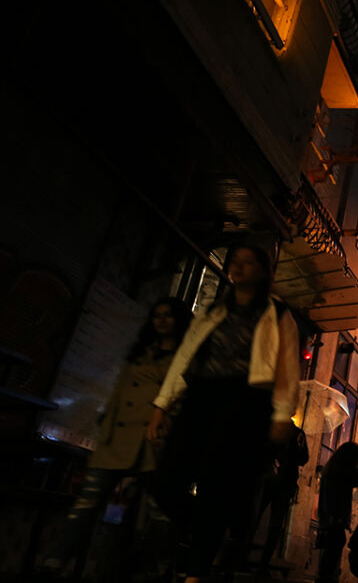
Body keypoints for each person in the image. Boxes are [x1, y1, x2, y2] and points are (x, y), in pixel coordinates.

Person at [148, 244, 300, 582]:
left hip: (244, 403)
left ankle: (197, 570)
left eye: (249, 262)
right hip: (202, 397)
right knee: (167, 482)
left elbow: (288, 368)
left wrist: (281, 415)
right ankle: (207, 527)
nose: (239, 268)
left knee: (215, 485)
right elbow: (185, 356)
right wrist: (162, 403)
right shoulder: (213, 311)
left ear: (263, 271)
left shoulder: (277, 314)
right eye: (235, 262)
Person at [43, 298, 192, 577]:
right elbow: (119, 393)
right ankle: (53, 563)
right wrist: (107, 428)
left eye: (168, 316)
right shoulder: (140, 353)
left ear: (179, 320)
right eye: (157, 315)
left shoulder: (184, 358)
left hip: (152, 438)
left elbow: (181, 398)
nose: (161, 320)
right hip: (117, 438)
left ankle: (162, 569)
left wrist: (166, 427)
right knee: (87, 504)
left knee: (158, 510)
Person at [256, 419, 309, 568]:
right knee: (264, 520)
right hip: (274, 480)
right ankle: (252, 558)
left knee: (272, 523)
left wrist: (299, 445)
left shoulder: (297, 433)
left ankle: (261, 561)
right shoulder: (278, 429)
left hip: (281, 482)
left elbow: (304, 459)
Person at [317, 442, 358, 582]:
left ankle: (325, 575)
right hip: (336, 515)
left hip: (329, 514)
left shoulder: (332, 469)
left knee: (332, 545)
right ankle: (325, 576)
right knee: (335, 544)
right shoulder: (343, 472)